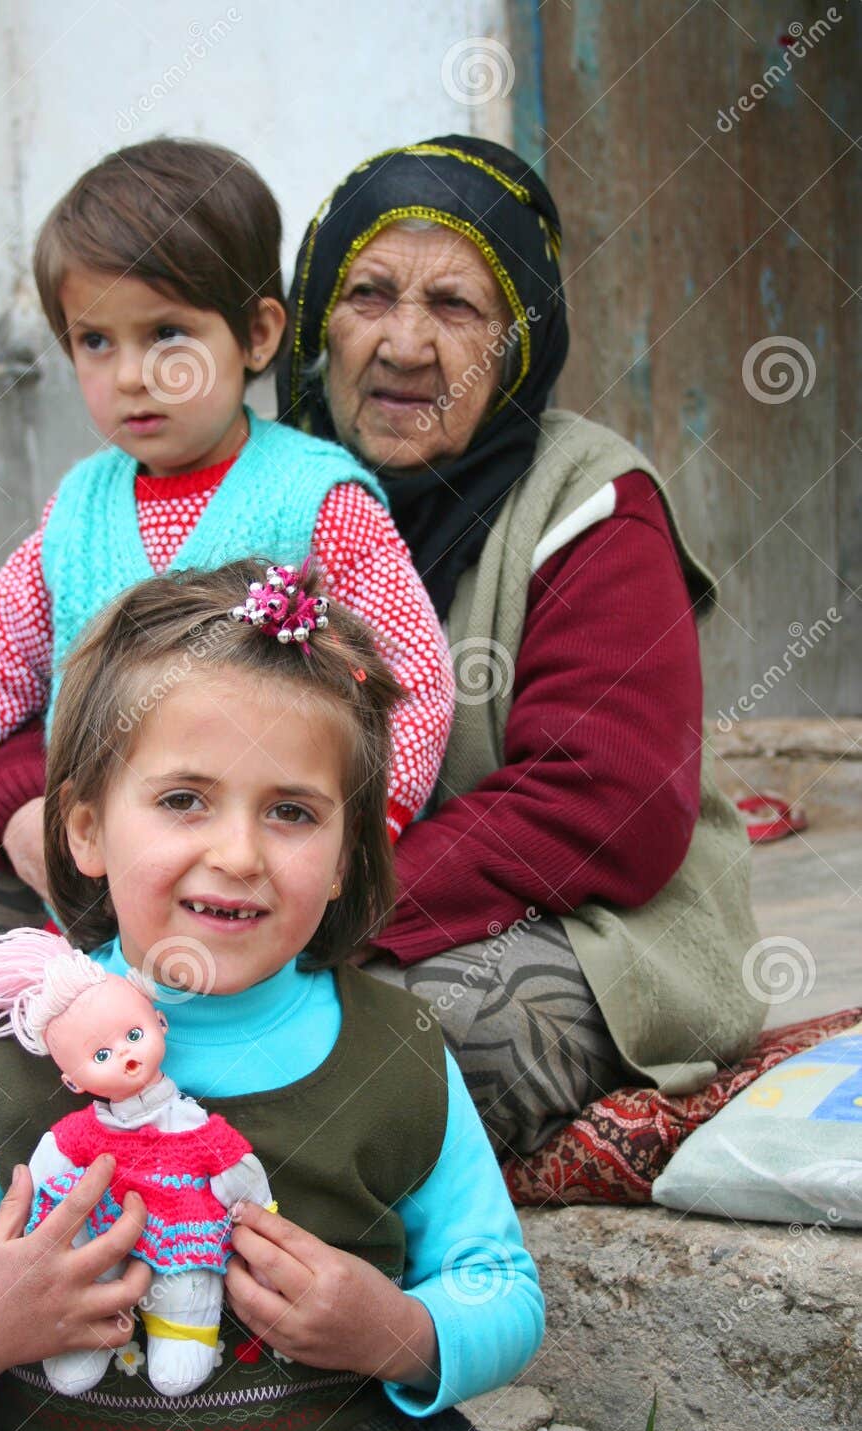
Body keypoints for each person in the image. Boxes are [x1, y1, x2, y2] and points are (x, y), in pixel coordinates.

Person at [0, 137, 454, 1431]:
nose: (130, 375)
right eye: (93, 342)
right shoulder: (81, 504)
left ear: (258, 331)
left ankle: (166, 1258)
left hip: (230, 875)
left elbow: (414, 684)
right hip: (80, 860)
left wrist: (349, 846)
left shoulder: (312, 499)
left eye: (169, 334)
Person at [0, 561, 561, 1431]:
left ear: (352, 846)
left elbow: (501, 1287)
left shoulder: (396, 1049)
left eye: (293, 812)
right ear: (83, 827)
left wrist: (397, 1330)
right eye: (183, 799)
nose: (237, 853)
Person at [276, 134, 765, 1155]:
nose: (404, 346)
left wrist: (326, 903)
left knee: (404, 1040)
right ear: (314, 322)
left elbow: (601, 797)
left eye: (455, 307)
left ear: (517, 344)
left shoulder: (591, 504)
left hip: (576, 925)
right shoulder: (269, 487)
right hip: (280, 897)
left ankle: (294, 1294)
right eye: (367, 295)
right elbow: (77, 669)